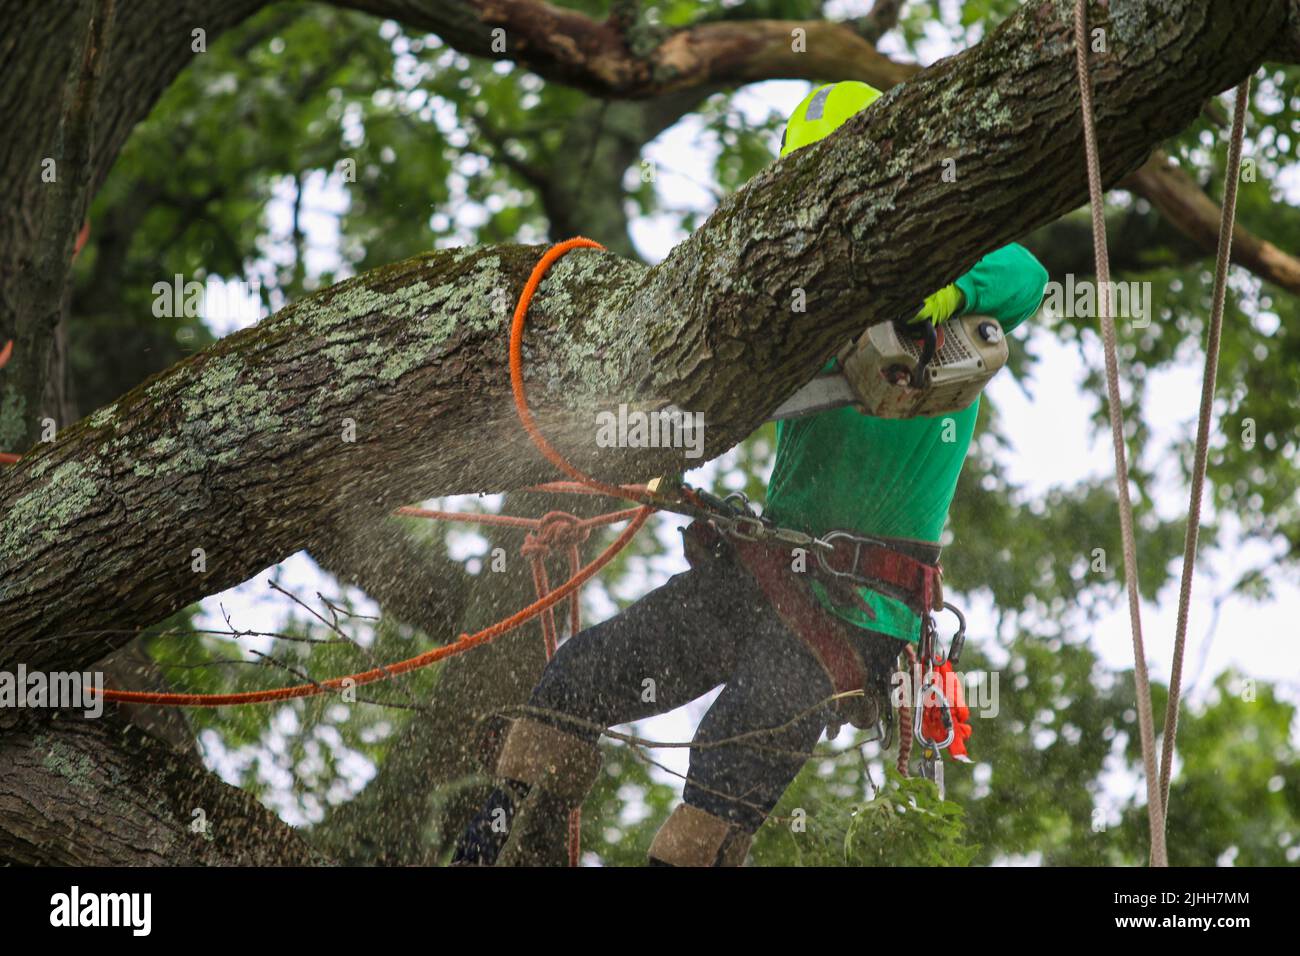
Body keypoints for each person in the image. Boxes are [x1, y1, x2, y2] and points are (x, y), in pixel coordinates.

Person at [452, 80, 1049, 867]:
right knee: (576, 679)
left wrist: (938, 291)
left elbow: (1027, 273)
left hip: (861, 608)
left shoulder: (960, 264)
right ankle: (490, 853)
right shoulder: (801, 294)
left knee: (729, 757)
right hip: (761, 570)